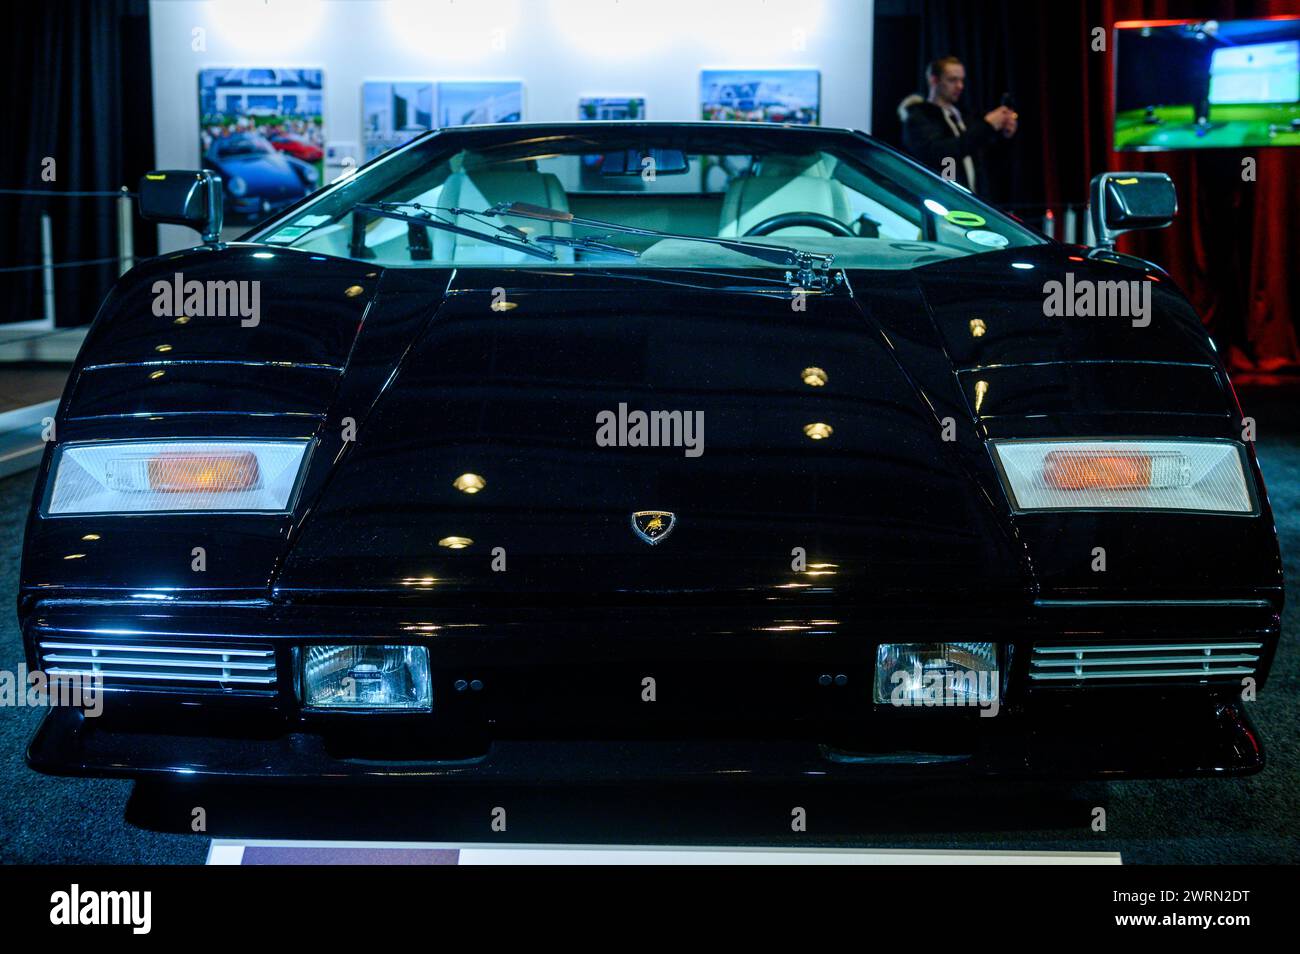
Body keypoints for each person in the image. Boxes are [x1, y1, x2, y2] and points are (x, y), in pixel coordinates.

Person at [898, 55, 1017, 195]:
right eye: (952, 80)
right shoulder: (919, 118)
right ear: (934, 80)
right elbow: (944, 153)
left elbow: (984, 156)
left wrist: (1004, 133)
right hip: (940, 200)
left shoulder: (964, 116)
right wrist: (987, 126)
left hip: (973, 200)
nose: (960, 86)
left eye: (961, 80)